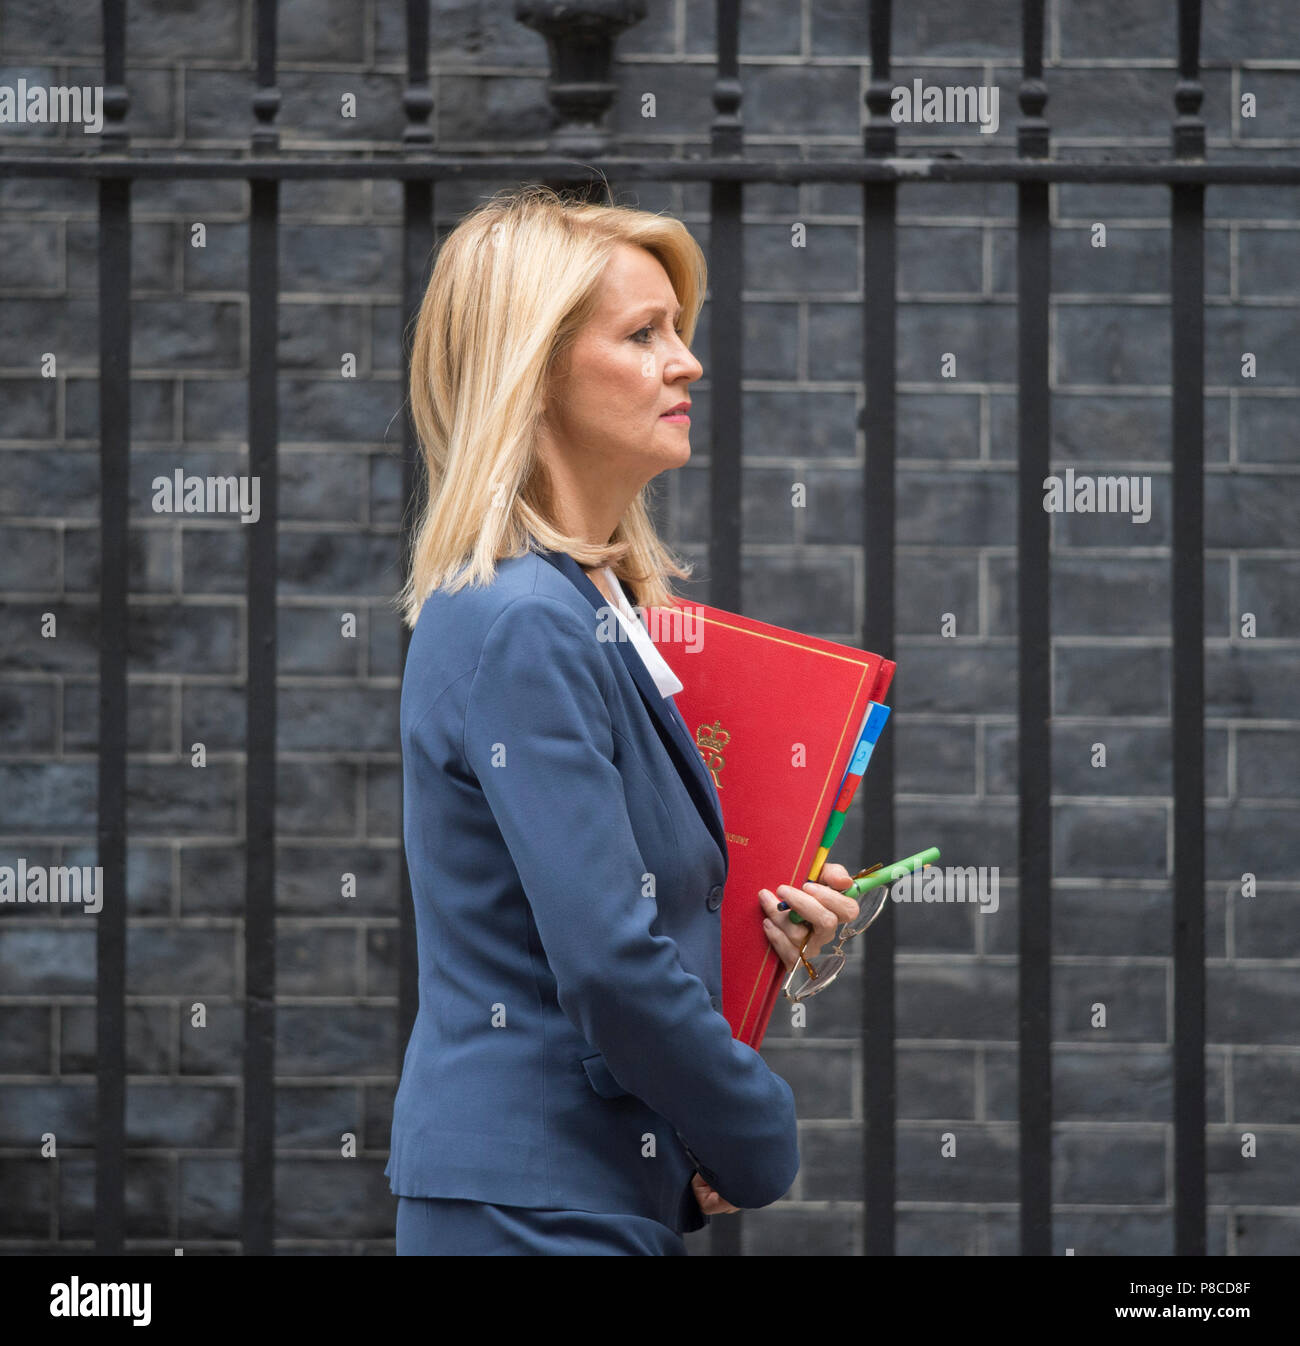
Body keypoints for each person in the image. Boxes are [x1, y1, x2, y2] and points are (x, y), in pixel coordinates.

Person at [386, 183, 860, 1255]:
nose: (684, 362)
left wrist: (764, 926)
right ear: (534, 370)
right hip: (530, 1205)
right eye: (643, 334)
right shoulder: (522, 617)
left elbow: (612, 910)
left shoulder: (588, 606)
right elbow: (603, 961)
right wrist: (754, 1129)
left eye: (677, 332)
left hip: (580, 1189)